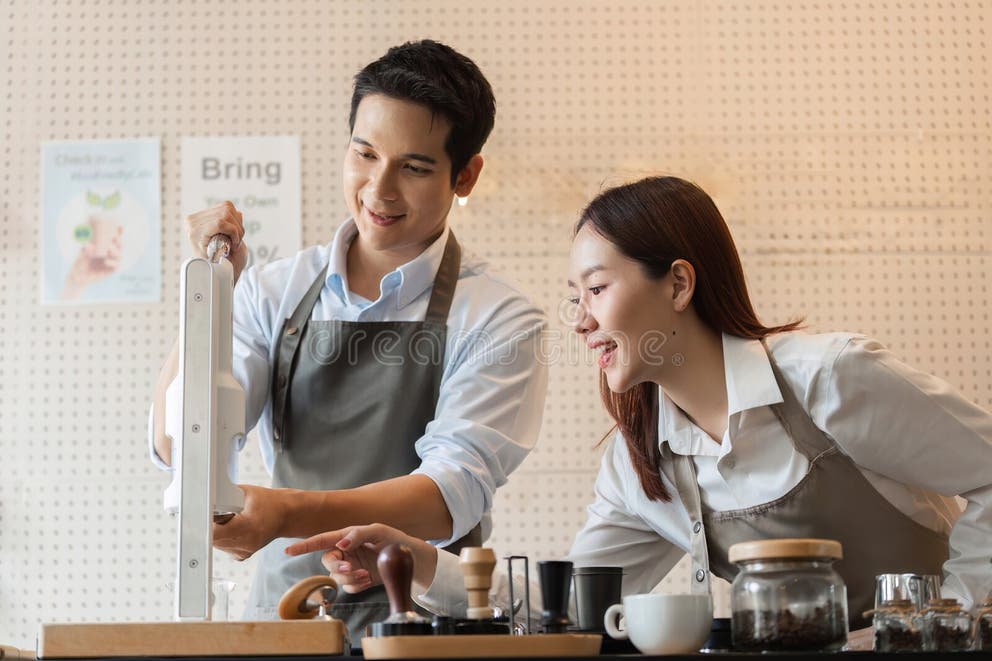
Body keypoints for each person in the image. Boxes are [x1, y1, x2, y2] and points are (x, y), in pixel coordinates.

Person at [287, 175, 992, 646]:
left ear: (679, 282)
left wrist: (950, 616)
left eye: (596, 289)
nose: (579, 320)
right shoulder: (641, 458)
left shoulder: (831, 379)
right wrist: (418, 561)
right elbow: (565, 602)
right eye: (574, 298)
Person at [149, 40, 549, 640]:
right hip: (285, 622)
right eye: (364, 153)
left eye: (413, 168)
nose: (378, 190)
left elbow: (449, 494)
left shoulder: (499, 317)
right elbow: (180, 442)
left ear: (465, 174)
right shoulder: (270, 292)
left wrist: (286, 512)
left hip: (431, 629)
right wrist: (210, 293)